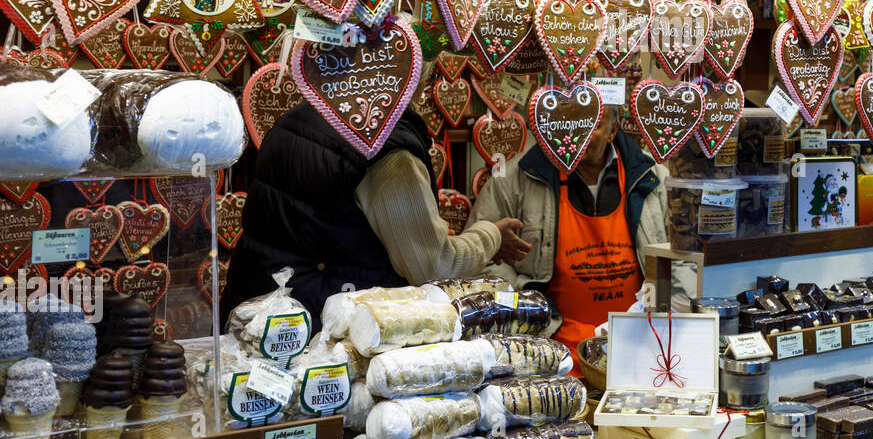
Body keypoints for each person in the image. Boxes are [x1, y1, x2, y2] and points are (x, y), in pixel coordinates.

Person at [222, 96, 528, 329]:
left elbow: (317, 227)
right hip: (329, 334)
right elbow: (436, 267)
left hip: (264, 322)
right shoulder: (387, 152)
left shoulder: (296, 118)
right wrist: (491, 236)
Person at [469, 105, 674, 355]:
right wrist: (531, 312)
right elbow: (479, 260)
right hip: (548, 349)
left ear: (613, 130)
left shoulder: (651, 176)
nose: (577, 134)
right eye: (569, 123)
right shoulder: (513, 180)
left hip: (640, 345)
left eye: (592, 125)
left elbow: (678, 257)